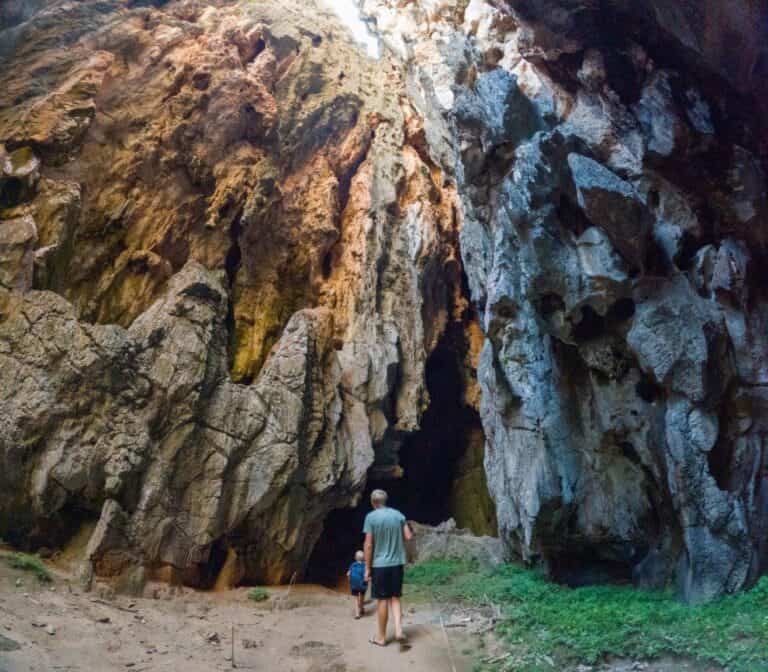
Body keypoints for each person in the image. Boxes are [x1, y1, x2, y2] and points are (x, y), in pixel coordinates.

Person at [363, 489, 413, 647]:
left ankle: (381, 637)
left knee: (383, 600)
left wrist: (367, 567)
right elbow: (408, 536)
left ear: (373, 502)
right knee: (395, 598)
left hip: (380, 565)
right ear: (385, 501)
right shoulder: (398, 515)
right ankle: (399, 630)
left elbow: (369, 544)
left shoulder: (370, 517)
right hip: (397, 563)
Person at [347, 550, 368, 619]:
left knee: (356, 599)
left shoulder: (353, 565)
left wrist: (349, 580)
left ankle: (357, 614)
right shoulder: (365, 565)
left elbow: (348, 573)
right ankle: (361, 608)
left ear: (355, 558)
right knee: (362, 597)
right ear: (364, 558)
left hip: (354, 585)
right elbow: (367, 575)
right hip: (363, 585)